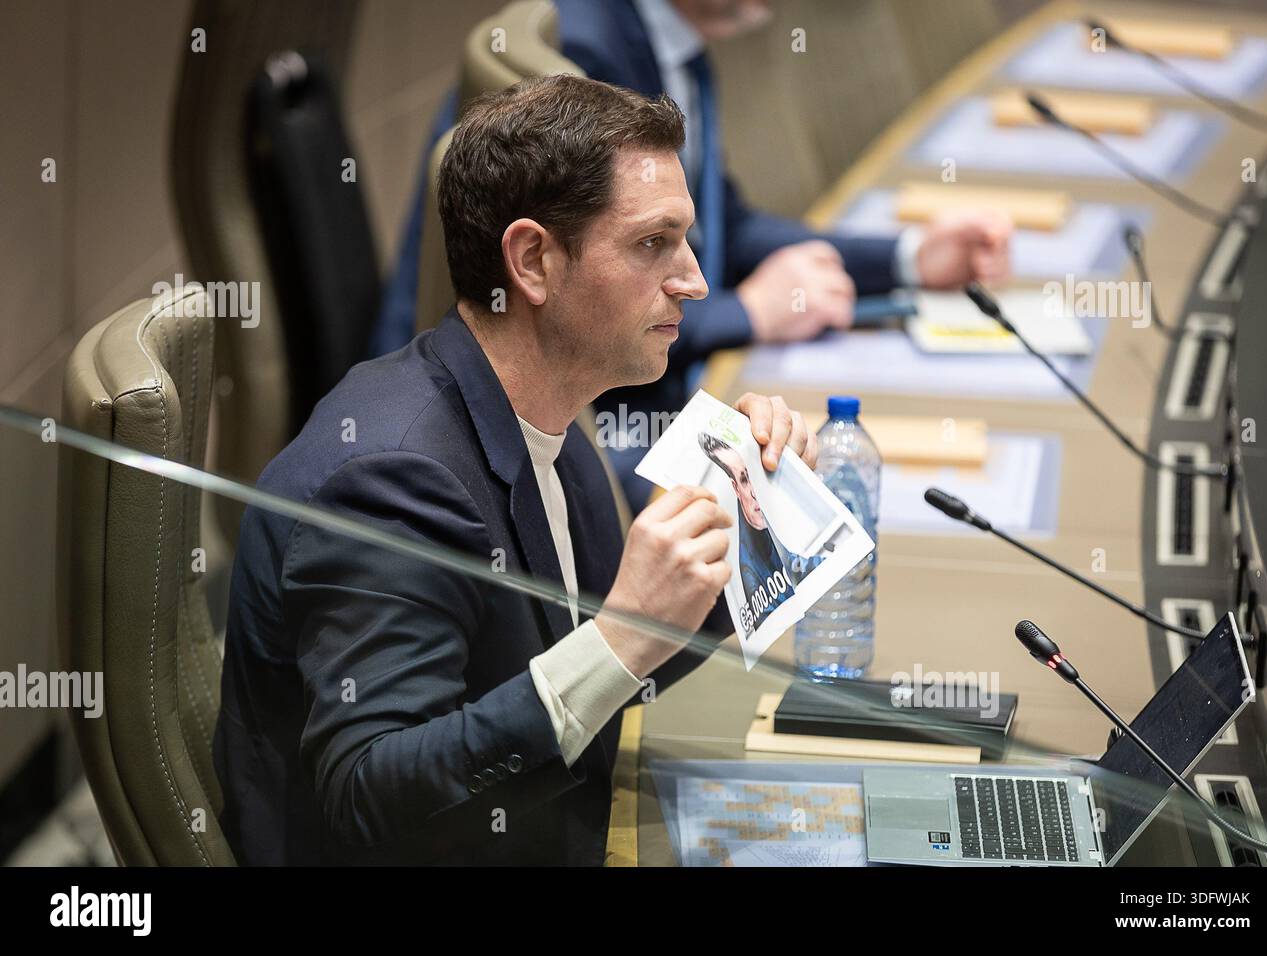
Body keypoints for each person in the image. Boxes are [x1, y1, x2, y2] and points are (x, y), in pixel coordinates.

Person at [213, 74, 816, 866]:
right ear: (532, 261)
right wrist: (624, 637)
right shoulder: (392, 479)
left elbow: (590, 672)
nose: (695, 282)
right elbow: (369, 800)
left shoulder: (543, 414)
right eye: (651, 244)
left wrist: (741, 543)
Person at [371, 0, 1011, 510]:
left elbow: (722, 225)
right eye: (658, 242)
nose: (696, 278)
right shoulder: (588, 53)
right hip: (590, 424)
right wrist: (752, 313)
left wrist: (908, 257)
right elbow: (587, 288)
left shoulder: (673, 40)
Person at [698, 431, 817, 635]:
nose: (754, 491)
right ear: (735, 489)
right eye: (745, 480)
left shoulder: (769, 525)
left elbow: (796, 564)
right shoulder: (745, 568)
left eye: (753, 475)